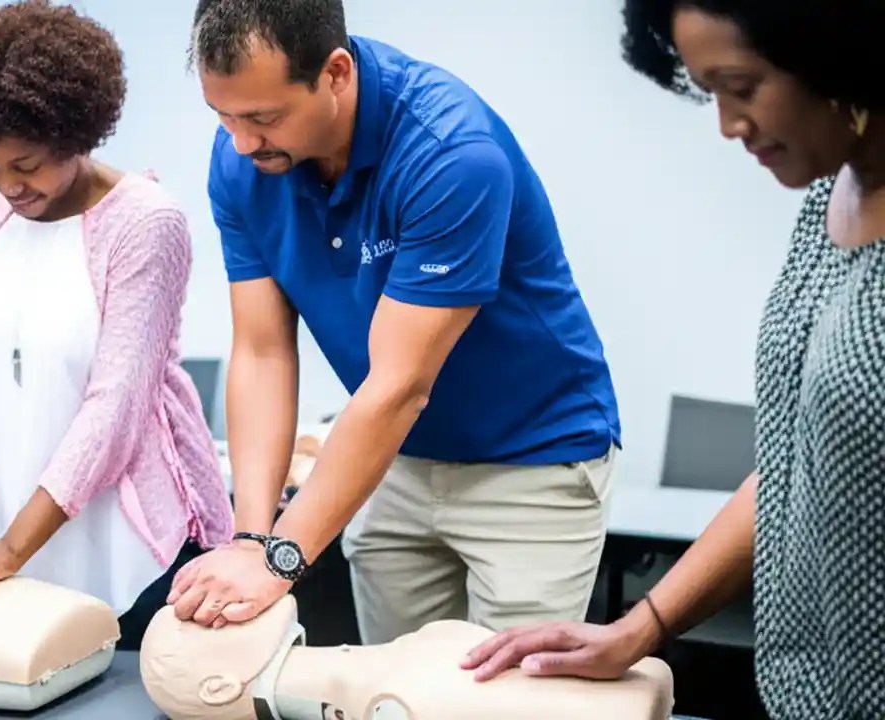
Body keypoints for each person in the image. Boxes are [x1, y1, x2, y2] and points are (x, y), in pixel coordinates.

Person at [462, 2, 885, 718]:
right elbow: (795, 465)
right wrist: (638, 629)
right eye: (707, 90)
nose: (728, 124)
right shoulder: (827, 202)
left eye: (743, 87)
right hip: (810, 697)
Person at [168, 0, 623, 643]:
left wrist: (280, 560)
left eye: (264, 118)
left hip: (530, 462)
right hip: (392, 459)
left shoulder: (451, 154)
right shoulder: (242, 161)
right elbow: (264, 352)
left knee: (508, 699)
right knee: (393, 695)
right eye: (225, 116)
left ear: (336, 73)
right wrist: (249, 538)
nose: (242, 143)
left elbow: (399, 385)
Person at [0, 0, 233, 650]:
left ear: (79, 135)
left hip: (137, 546)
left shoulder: (144, 222)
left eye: (26, 165)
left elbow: (114, 410)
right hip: (13, 541)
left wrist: (7, 548)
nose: (8, 186)